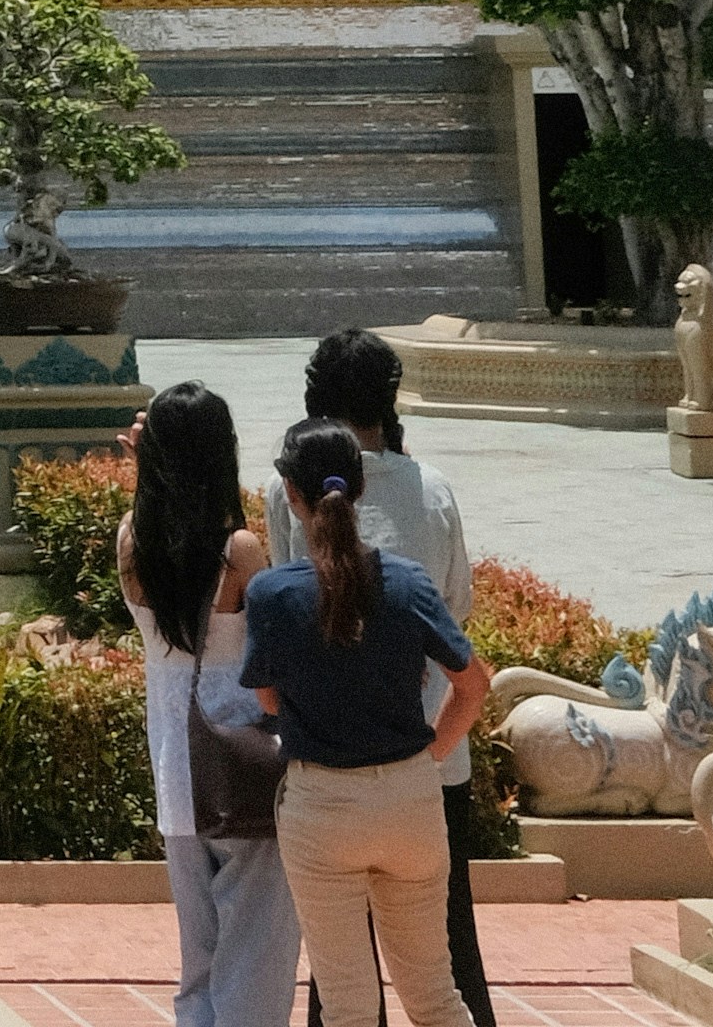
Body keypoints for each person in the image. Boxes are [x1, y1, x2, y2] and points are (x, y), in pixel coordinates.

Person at [266, 330, 494, 1027]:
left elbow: (286, 610)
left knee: (338, 984)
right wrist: (425, 752)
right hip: (426, 765)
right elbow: (455, 611)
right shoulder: (432, 488)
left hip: (327, 770)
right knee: (446, 968)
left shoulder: (288, 492)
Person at [117, 384, 291, 1027]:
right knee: (257, 945)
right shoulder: (238, 550)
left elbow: (161, 513)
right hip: (241, 753)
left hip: (176, 758)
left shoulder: (131, 539)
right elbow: (270, 647)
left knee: (200, 952)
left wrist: (148, 466)